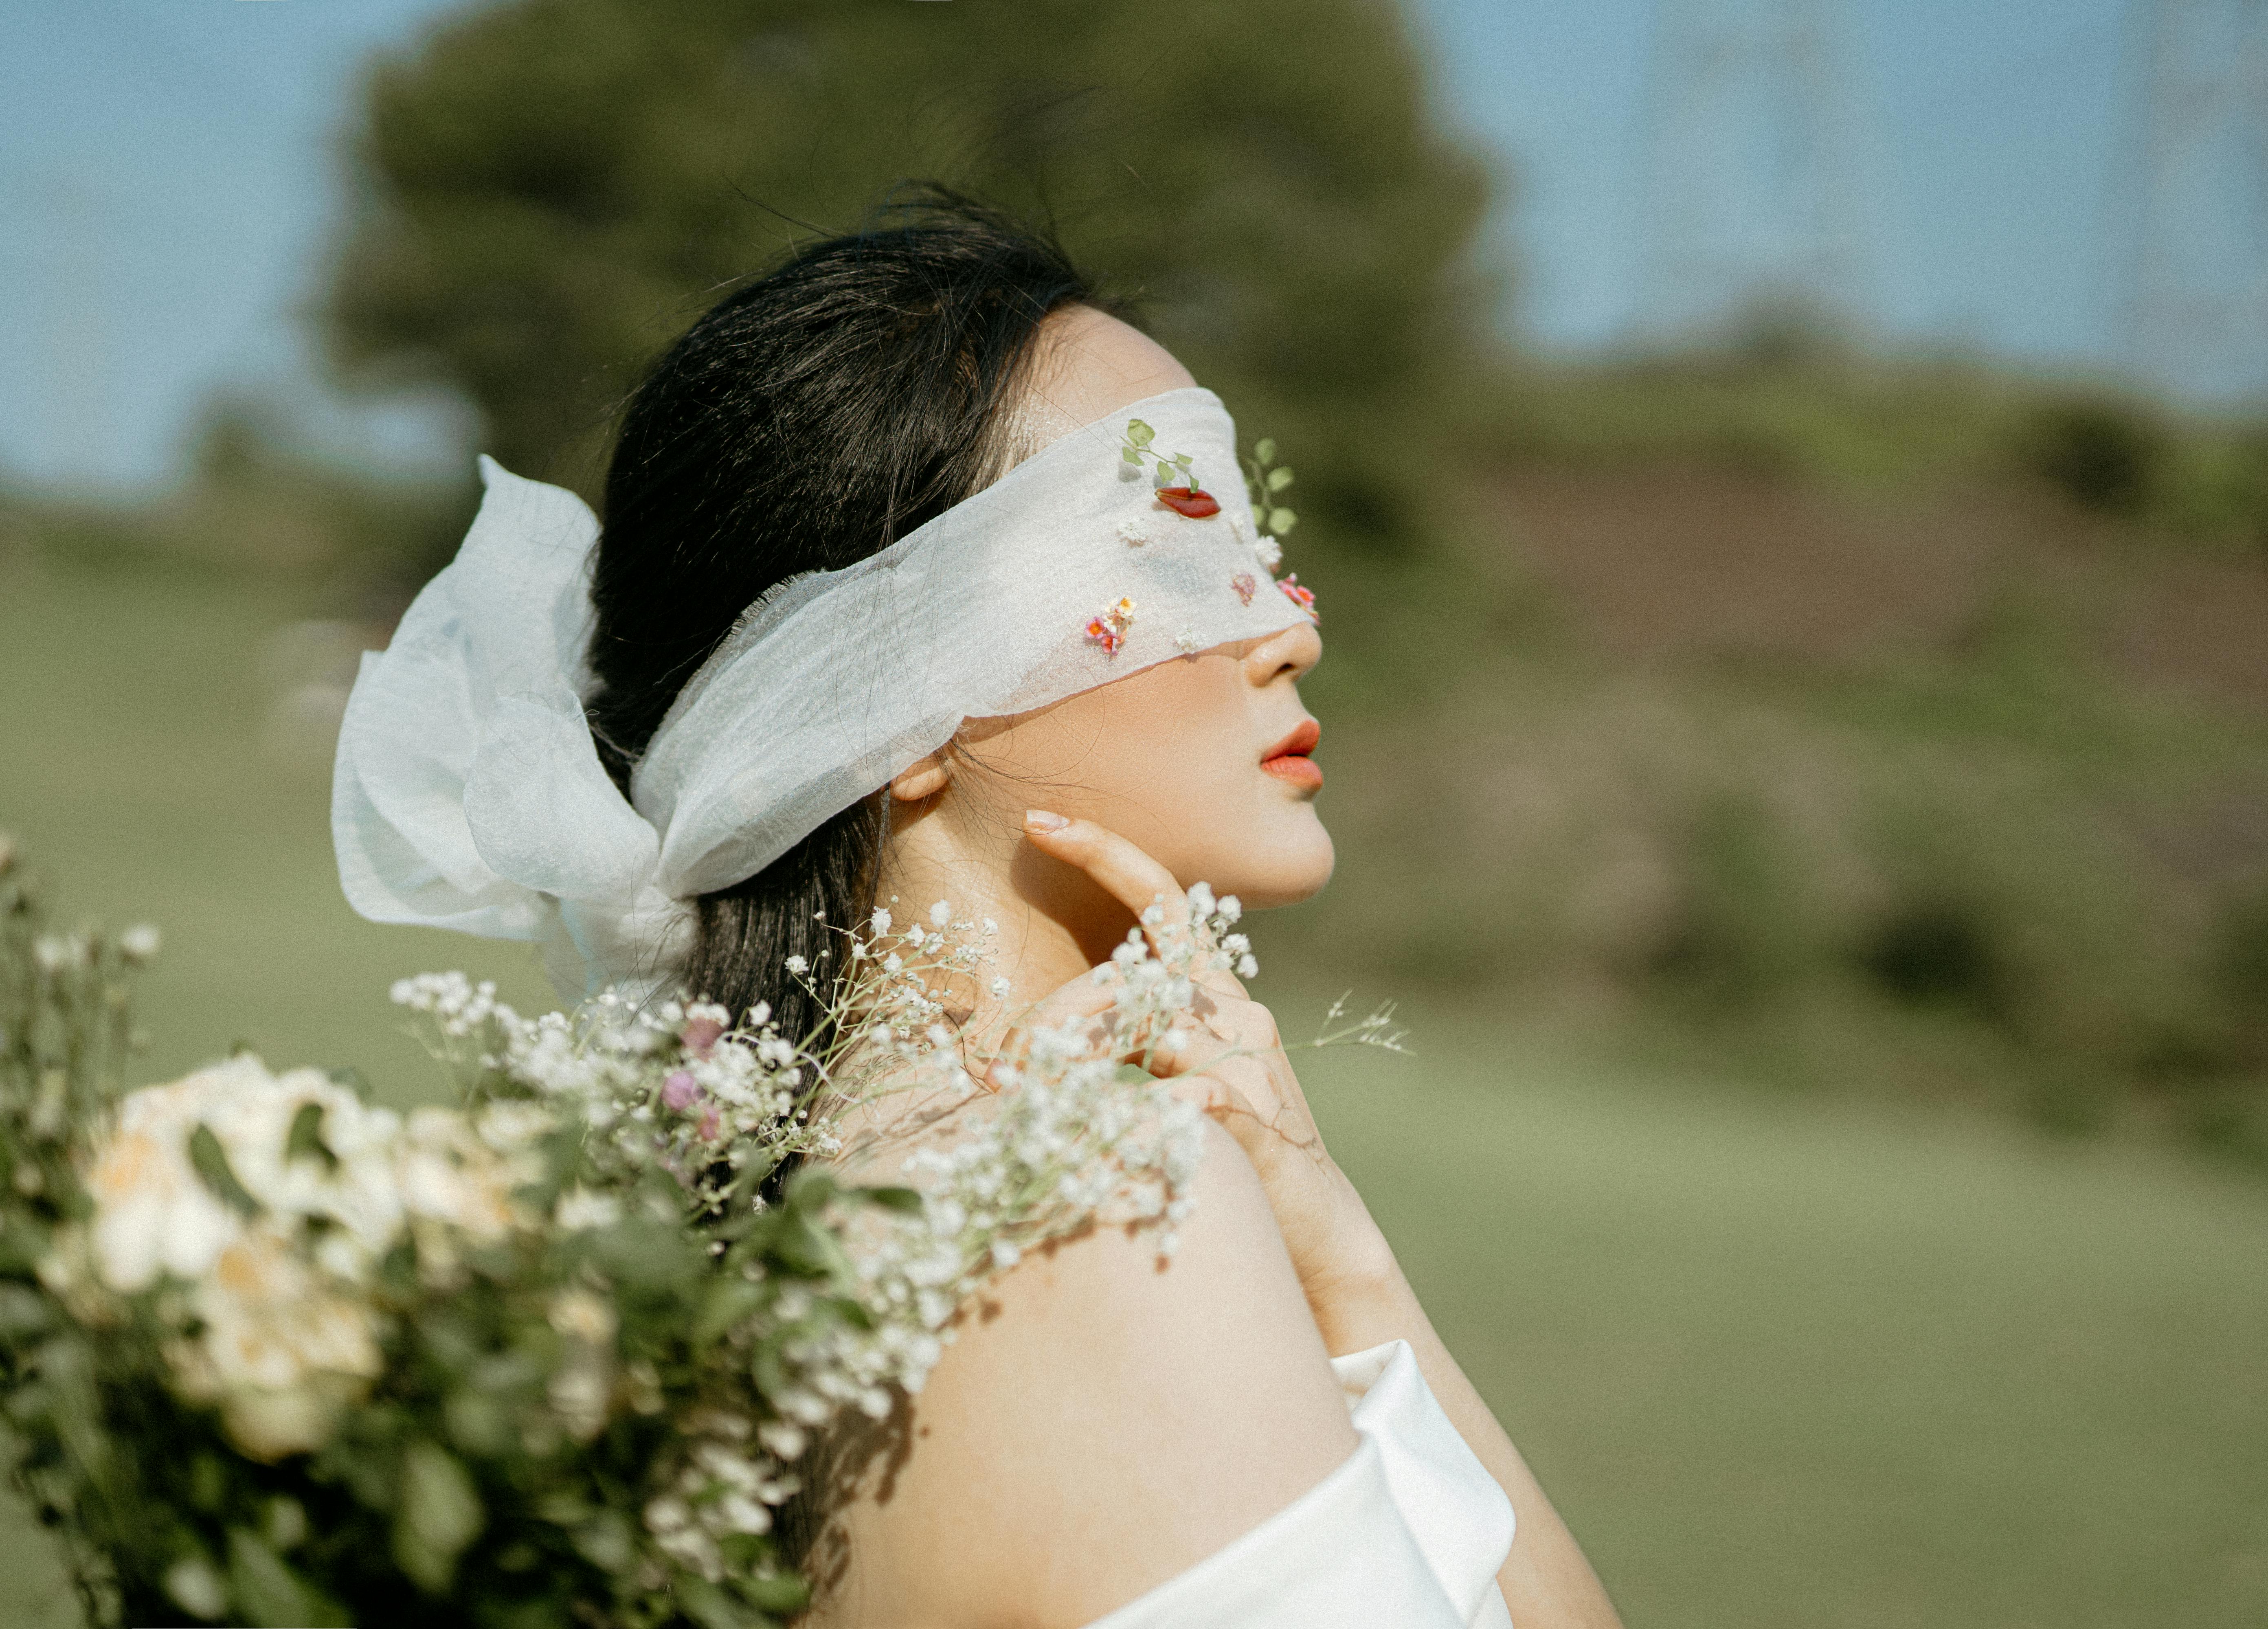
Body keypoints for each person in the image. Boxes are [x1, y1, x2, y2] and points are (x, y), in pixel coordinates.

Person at [336, 189, 1623, 1628]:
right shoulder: (1109, 1207)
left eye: (1255, 546)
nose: (1291, 623)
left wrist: (1350, 1268)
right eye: (1177, 543)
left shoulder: (724, 1260)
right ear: (884, 697)